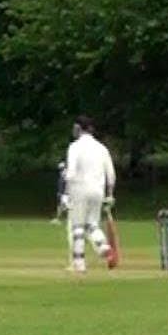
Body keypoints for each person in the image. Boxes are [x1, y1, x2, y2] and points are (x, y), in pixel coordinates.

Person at [64, 116, 117, 273]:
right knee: (92, 224)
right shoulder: (101, 148)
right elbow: (111, 175)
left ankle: (79, 262)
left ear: (79, 129)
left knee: (77, 226)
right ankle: (104, 247)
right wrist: (110, 195)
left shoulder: (74, 147)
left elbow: (71, 173)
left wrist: (65, 193)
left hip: (79, 189)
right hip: (97, 191)